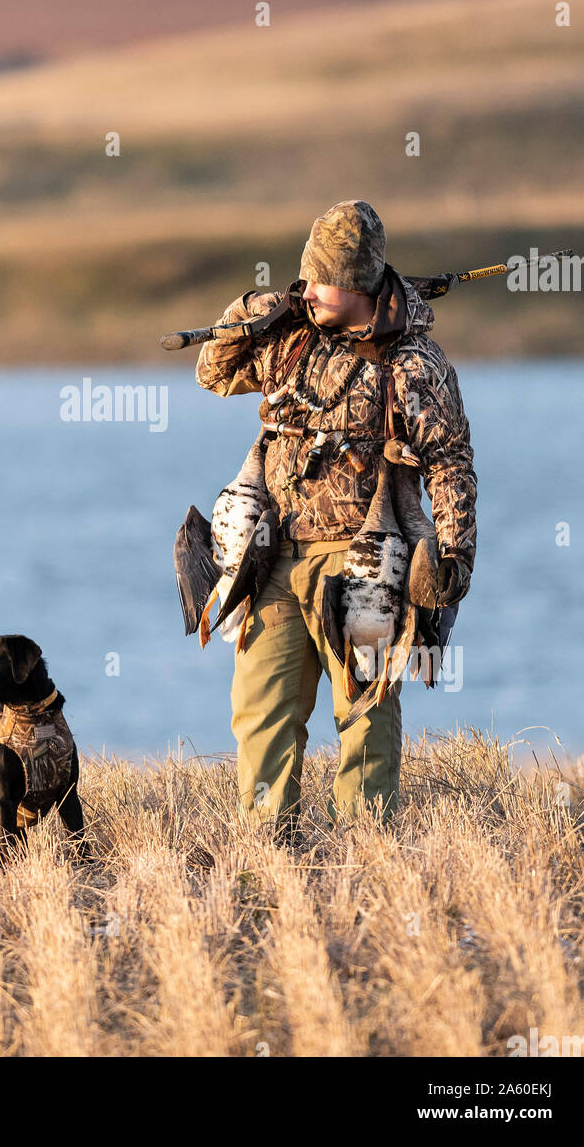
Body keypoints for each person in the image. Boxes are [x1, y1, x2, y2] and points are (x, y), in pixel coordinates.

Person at [196, 200, 477, 829]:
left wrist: (453, 560)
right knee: (260, 709)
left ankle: (369, 851)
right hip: (270, 553)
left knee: (364, 710)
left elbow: (451, 464)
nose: (311, 290)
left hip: (365, 558)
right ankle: (266, 853)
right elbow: (212, 372)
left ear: (359, 283)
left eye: (323, 279)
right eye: (307, 276)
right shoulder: (289, 341)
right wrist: (248, 312)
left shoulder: (414, 365)